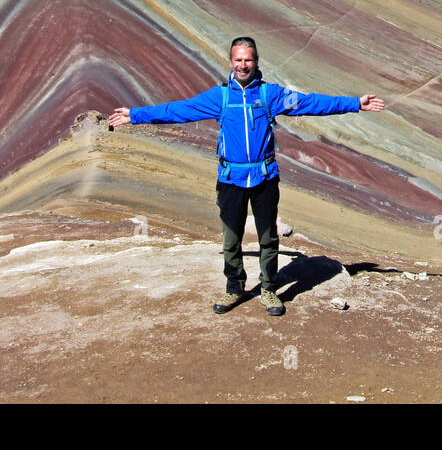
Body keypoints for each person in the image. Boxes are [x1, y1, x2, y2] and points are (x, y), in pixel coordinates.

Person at [108, 36, 384, 316]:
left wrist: (354, 103)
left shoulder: (270, 95)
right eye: (238, 60)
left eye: (248, 60)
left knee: (268, 238)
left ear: (256, 62)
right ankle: (234, 288)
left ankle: (268, 288)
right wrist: (136, 115)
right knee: (231, 239)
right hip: (230, 179)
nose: (243, 65)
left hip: (264, 178)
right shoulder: (221, 97)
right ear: (231, 62)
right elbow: (178, 110)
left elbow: (310, 103)